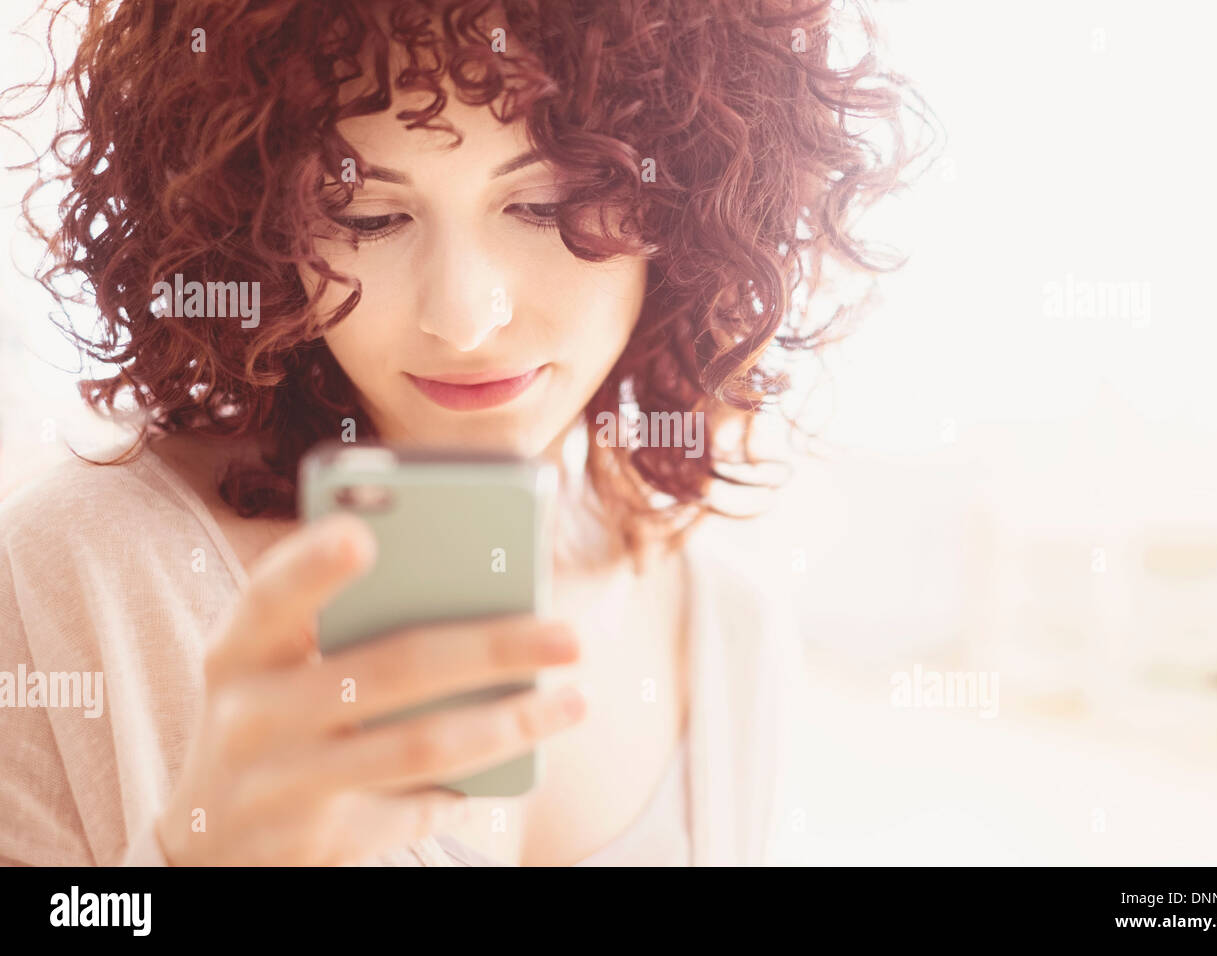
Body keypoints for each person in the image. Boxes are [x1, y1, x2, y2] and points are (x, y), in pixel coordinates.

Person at [0, 0, 924, 865]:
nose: (464, 317)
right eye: (368, 214)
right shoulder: (85, 574)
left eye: (543, 204)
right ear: (259, 222)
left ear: (687, 203)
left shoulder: (725, 631)